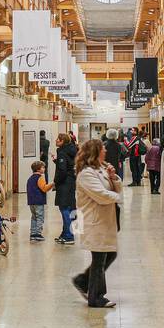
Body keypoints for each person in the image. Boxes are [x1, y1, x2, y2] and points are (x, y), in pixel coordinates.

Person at [72, 139, 121, 308]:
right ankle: (96, 297)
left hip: (105, 220)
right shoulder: (86, 173)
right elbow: (100, 194)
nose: (106, 150)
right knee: (100, 257)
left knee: (109, 254)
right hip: (94, 220)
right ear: (96, 151)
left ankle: (83, 281)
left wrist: (114, 177)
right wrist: (118, 198)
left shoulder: (101, 169)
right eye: (103, 148)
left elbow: (115, 188)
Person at [52, 132, 78, 245]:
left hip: (64, 183)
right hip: (71, 181)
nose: (56, 140)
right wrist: (57, 161)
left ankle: (68, 236)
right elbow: (68, 165)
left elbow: (62, 171)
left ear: (63, 141)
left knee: (64, 209)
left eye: (58, 139)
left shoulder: (62, 152)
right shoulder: (71, 151)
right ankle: (65, 233)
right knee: (69, 207)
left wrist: (55, 181)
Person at [26, 160, 53, 241]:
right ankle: (38, 233)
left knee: (34, 217)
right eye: (43, 167)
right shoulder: (40, 178)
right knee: (40, 217)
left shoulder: (30, 178)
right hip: (39, 201)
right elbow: (44, 188)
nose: (44, 169)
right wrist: (52, 184)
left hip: (31, 201)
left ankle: (33, 233)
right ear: (38, 169)